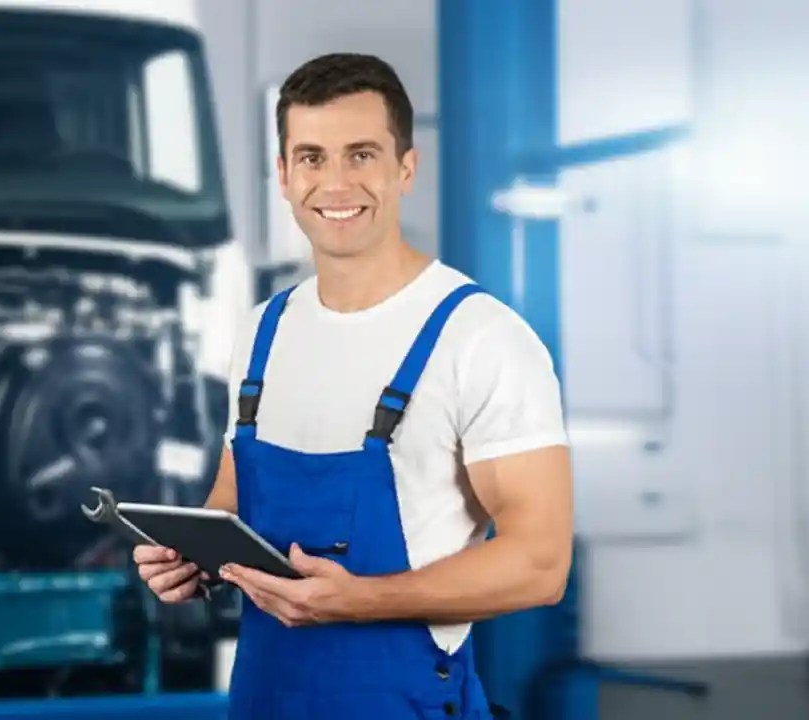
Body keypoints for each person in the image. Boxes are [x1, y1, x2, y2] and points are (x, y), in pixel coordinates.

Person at [132, 53, 574, 719]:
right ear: (282, 174)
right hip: (265, 701)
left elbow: (541, 564)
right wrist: (191, 561)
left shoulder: (480, 339)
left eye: (361, 155)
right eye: (311, 157)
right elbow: (232, 503)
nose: (334, 183)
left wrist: (359, 599)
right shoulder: (263, 331)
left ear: (405, 167)